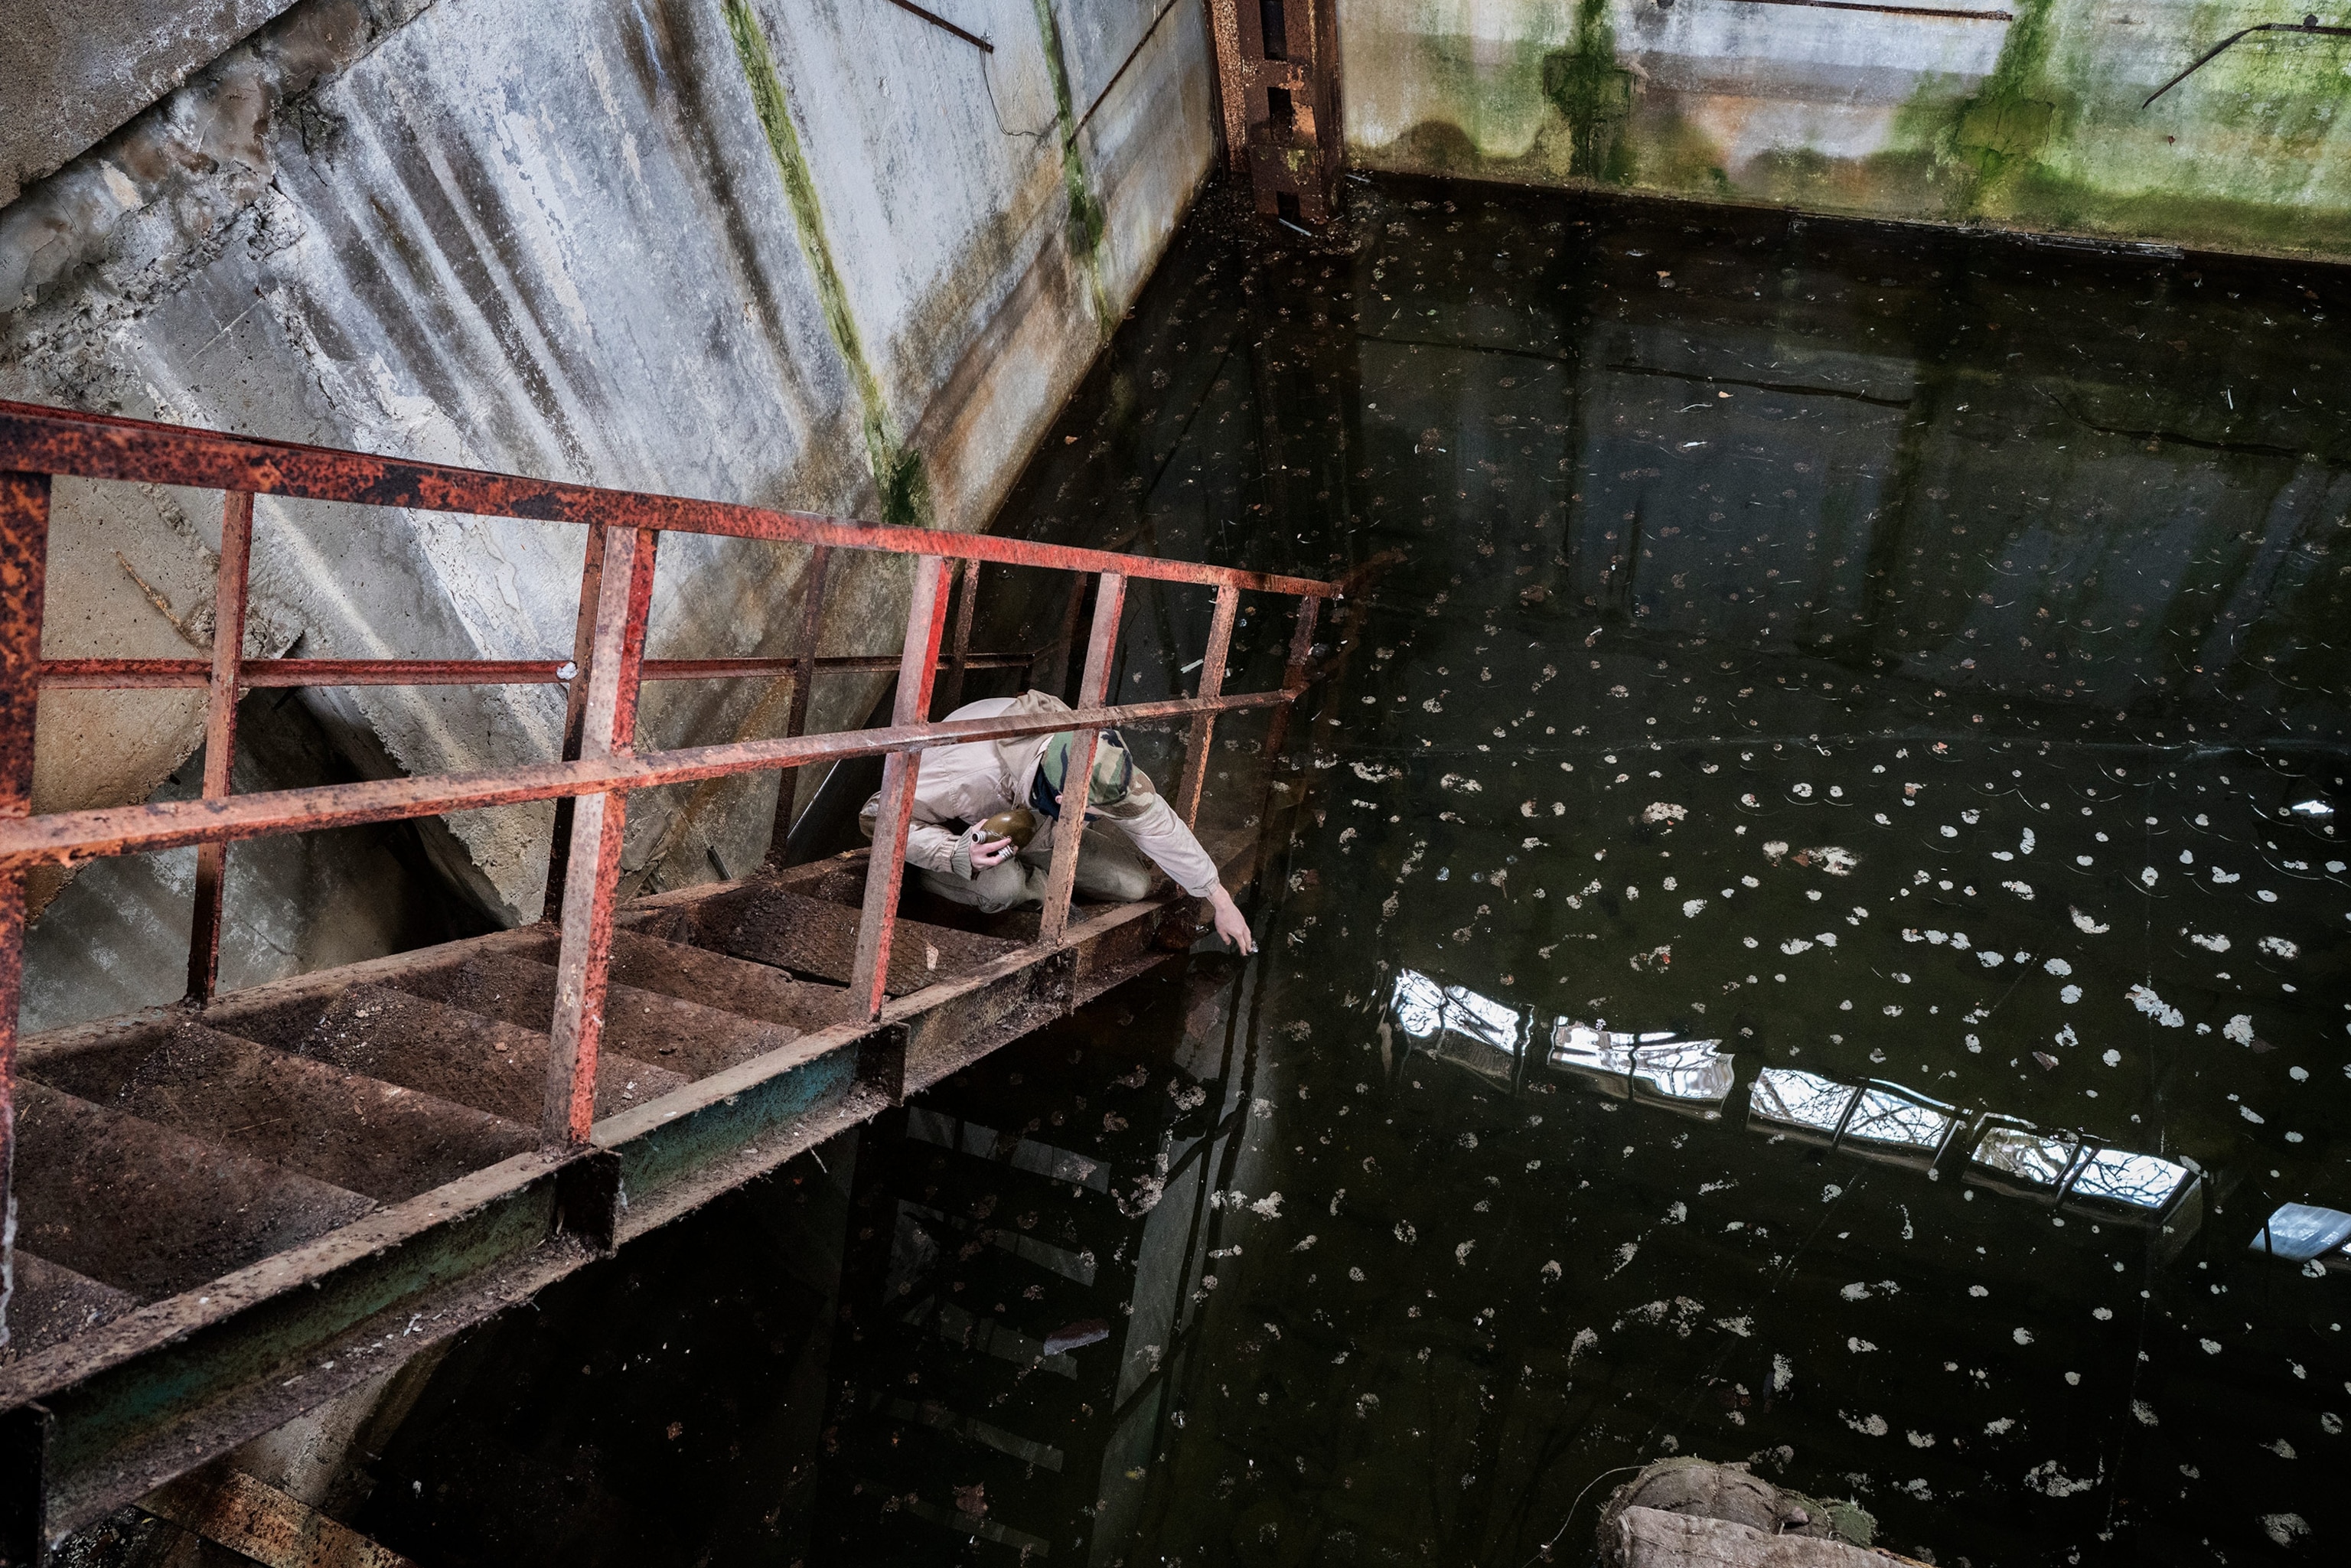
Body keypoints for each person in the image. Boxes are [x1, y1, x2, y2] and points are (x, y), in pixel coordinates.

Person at [858, 689, 1255, 954]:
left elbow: (1156, 825)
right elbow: (878, 818)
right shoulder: (966, 773)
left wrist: (1218, 897)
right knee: (1003, 887)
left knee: (1134, 885)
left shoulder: (1093, 756)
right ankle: (1024, 888)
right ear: (1067, 800)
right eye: (1099, 812)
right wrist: (957, 853)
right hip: (963, 837)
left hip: (1040, 830)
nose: (1111, 816)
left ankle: (1038, 874)